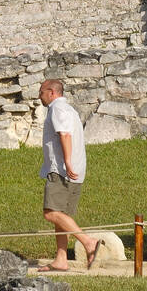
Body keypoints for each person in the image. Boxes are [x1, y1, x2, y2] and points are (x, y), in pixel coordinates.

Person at [37, 79, 99, 271]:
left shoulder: (57, 109)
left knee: (51, 213)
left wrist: (68, 162)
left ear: (51, 92)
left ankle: (88, 242)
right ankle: (61, 259)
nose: (39, 96)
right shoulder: (69, 110)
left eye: (41, 92)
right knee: (61, 215)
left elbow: (64, 135)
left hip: (61, 170)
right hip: (72, 170)